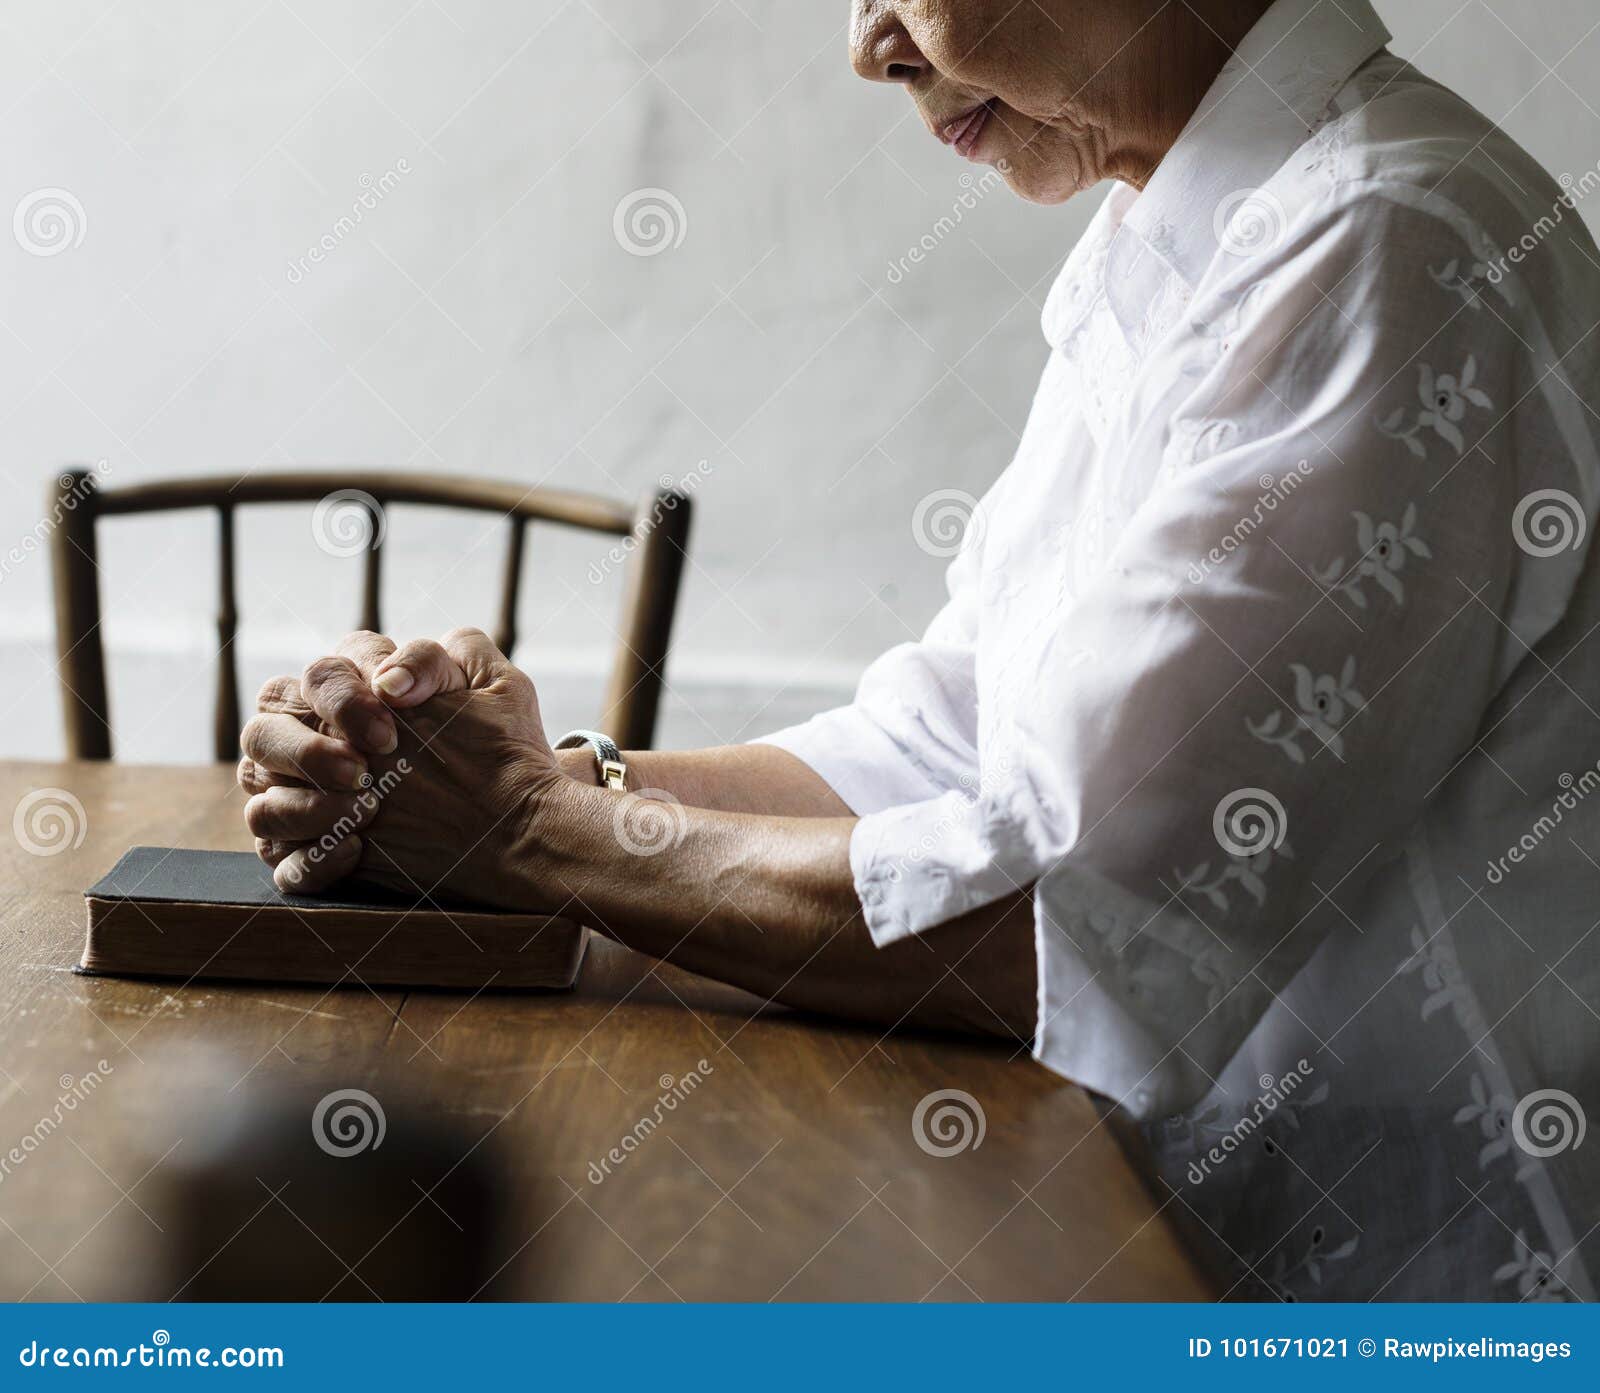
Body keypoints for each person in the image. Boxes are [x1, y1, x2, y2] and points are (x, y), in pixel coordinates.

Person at [237, 0, 1600, 1299]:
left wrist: (527, 828)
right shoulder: (1191, 236)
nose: (866, 49)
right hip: (1157, 1239)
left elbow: (1060, 919)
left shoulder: (1387, 240)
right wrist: (526, 781)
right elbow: (949, 746)